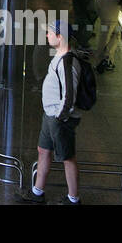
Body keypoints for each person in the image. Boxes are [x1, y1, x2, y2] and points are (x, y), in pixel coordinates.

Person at [22, 21, 83, 204]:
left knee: (67, 157)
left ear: (60, 37)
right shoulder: (60, 56)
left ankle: (73, 199)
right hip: (50, 115)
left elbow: (70, 95)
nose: (47, 35)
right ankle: (37, 192)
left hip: (60, 118)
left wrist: (59, 117)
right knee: (43, 150)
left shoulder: (68, 62)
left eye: (50, 33)